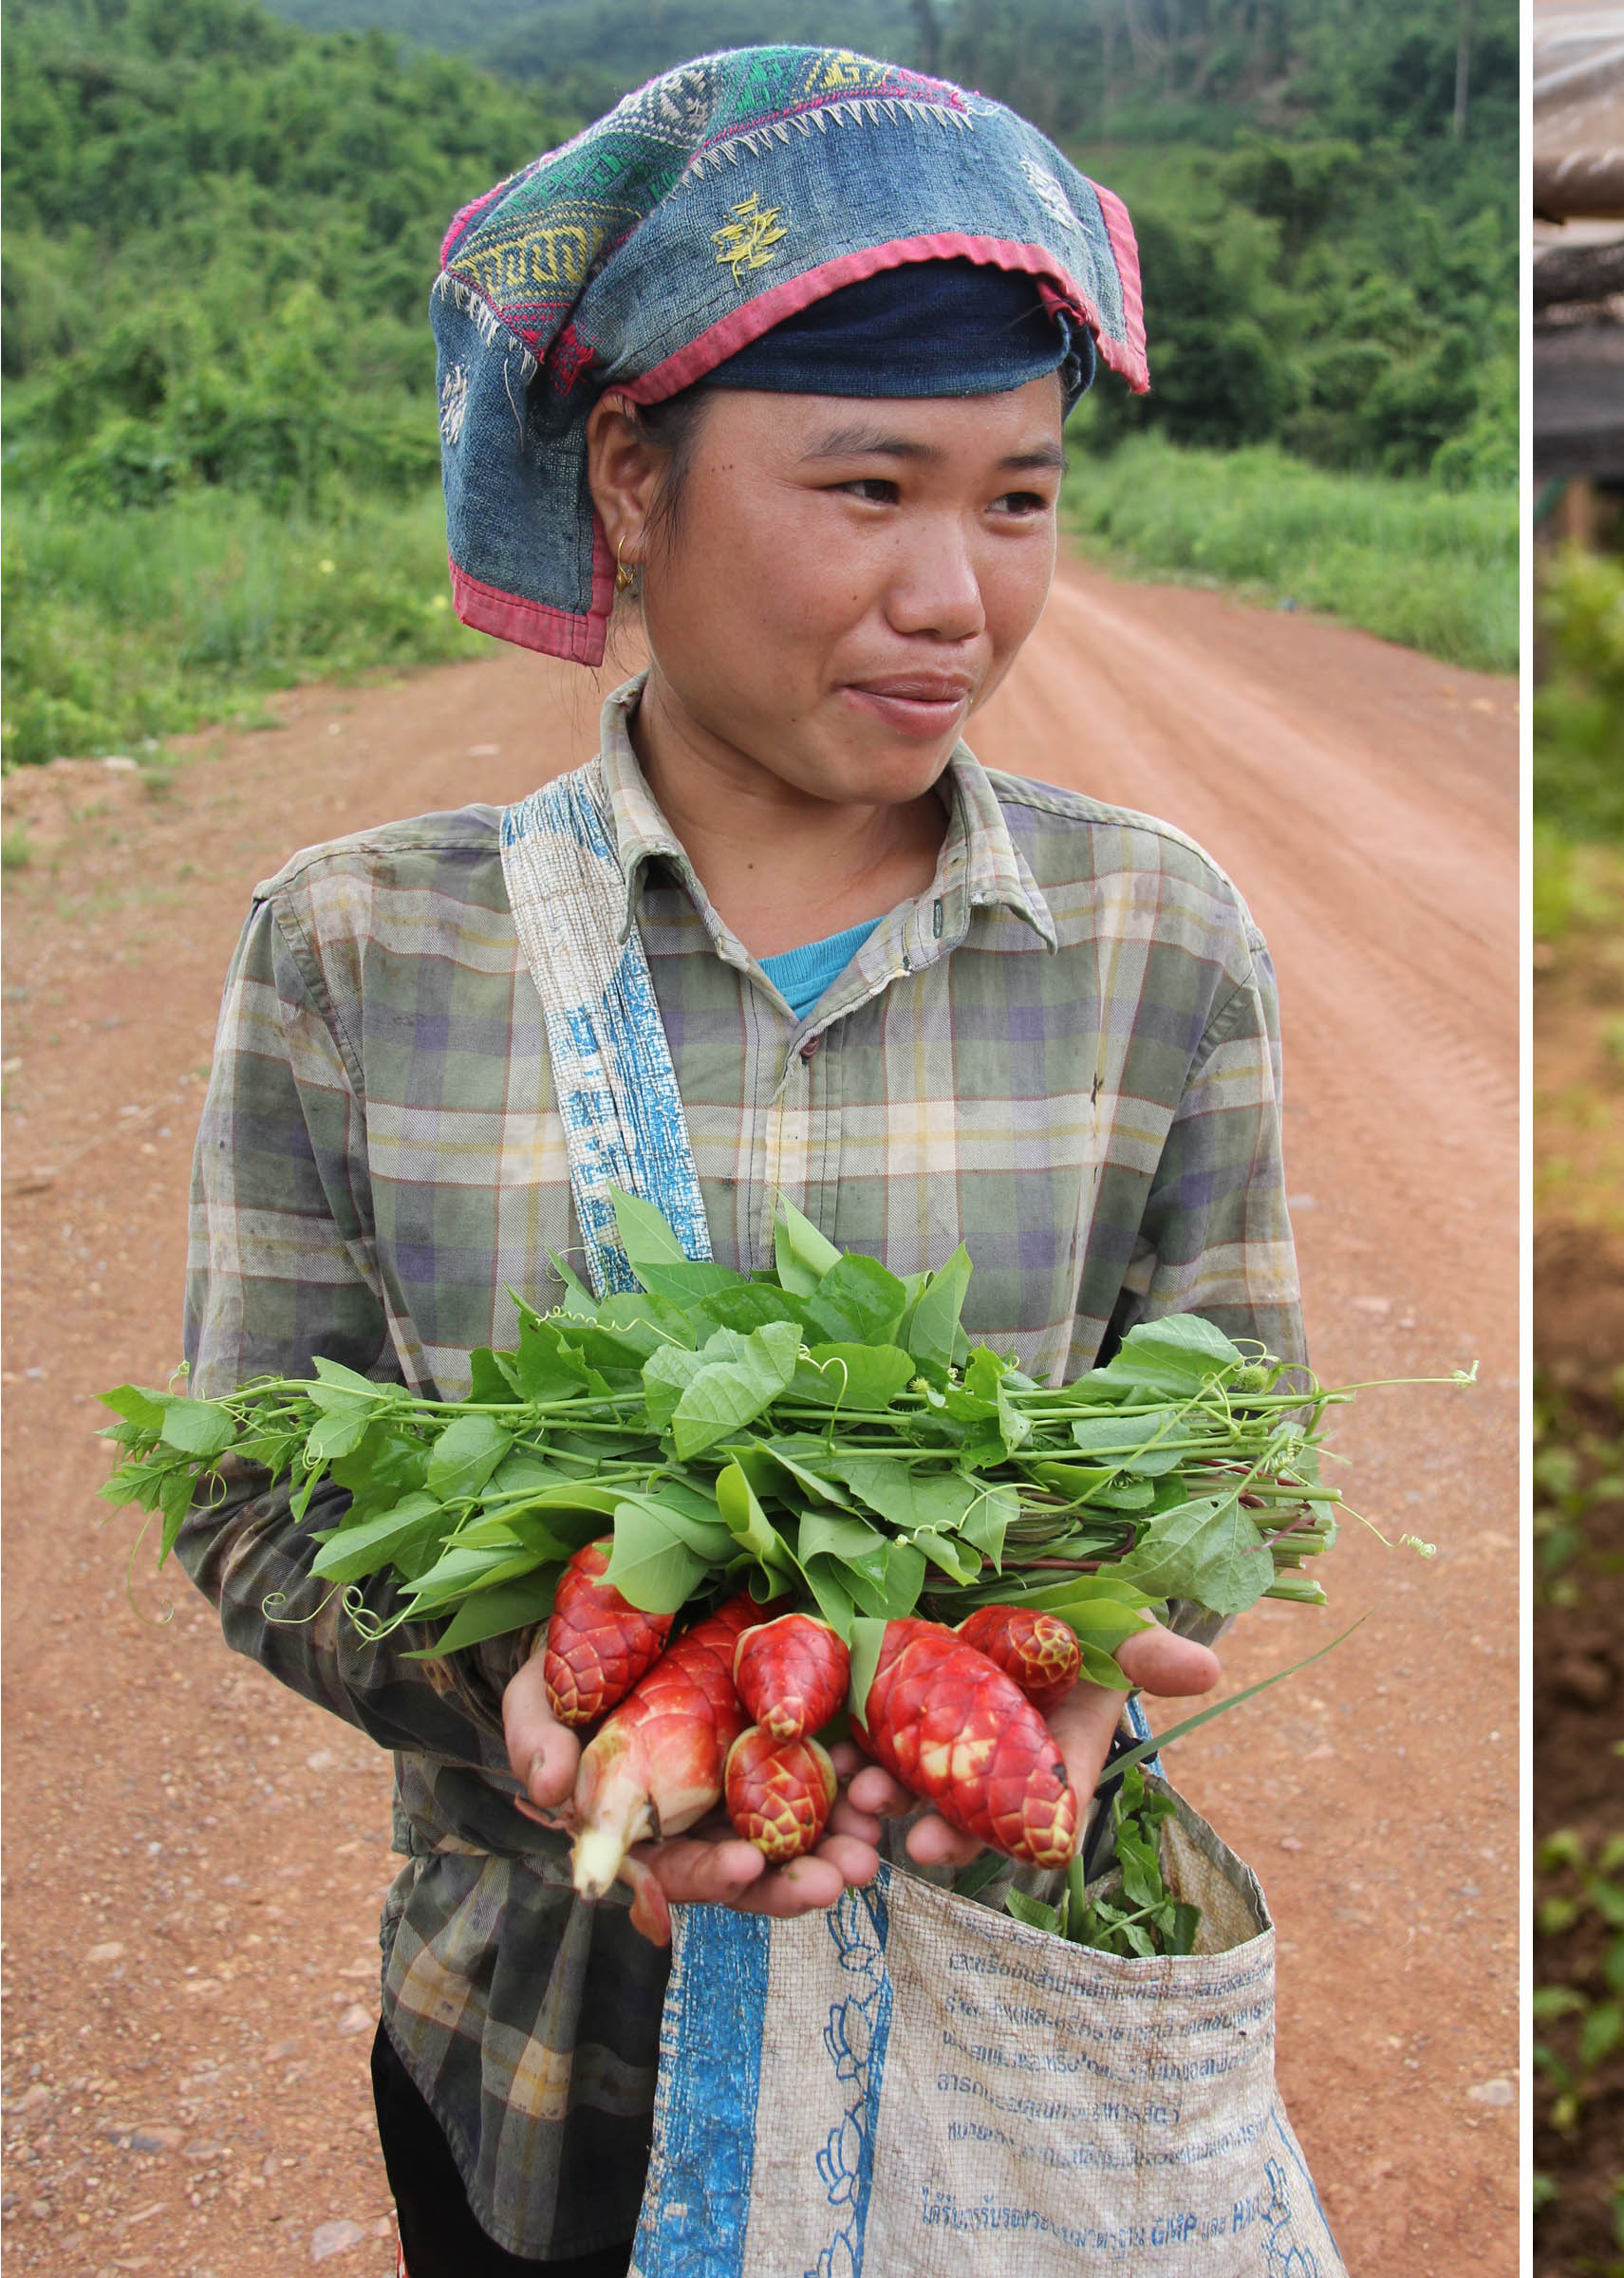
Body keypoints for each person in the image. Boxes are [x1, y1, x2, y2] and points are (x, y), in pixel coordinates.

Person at [176, 48, 1300, 2274]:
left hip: (1018, 2039)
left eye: (1018, 497)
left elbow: (1238, 1432)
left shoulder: (1154, 938)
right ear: (628, 480)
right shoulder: (358, 950)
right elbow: (251, 1481)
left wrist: (1087, 1637)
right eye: (868, 487)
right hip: (539, 2051)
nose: (955, 593)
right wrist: (515, 1699)